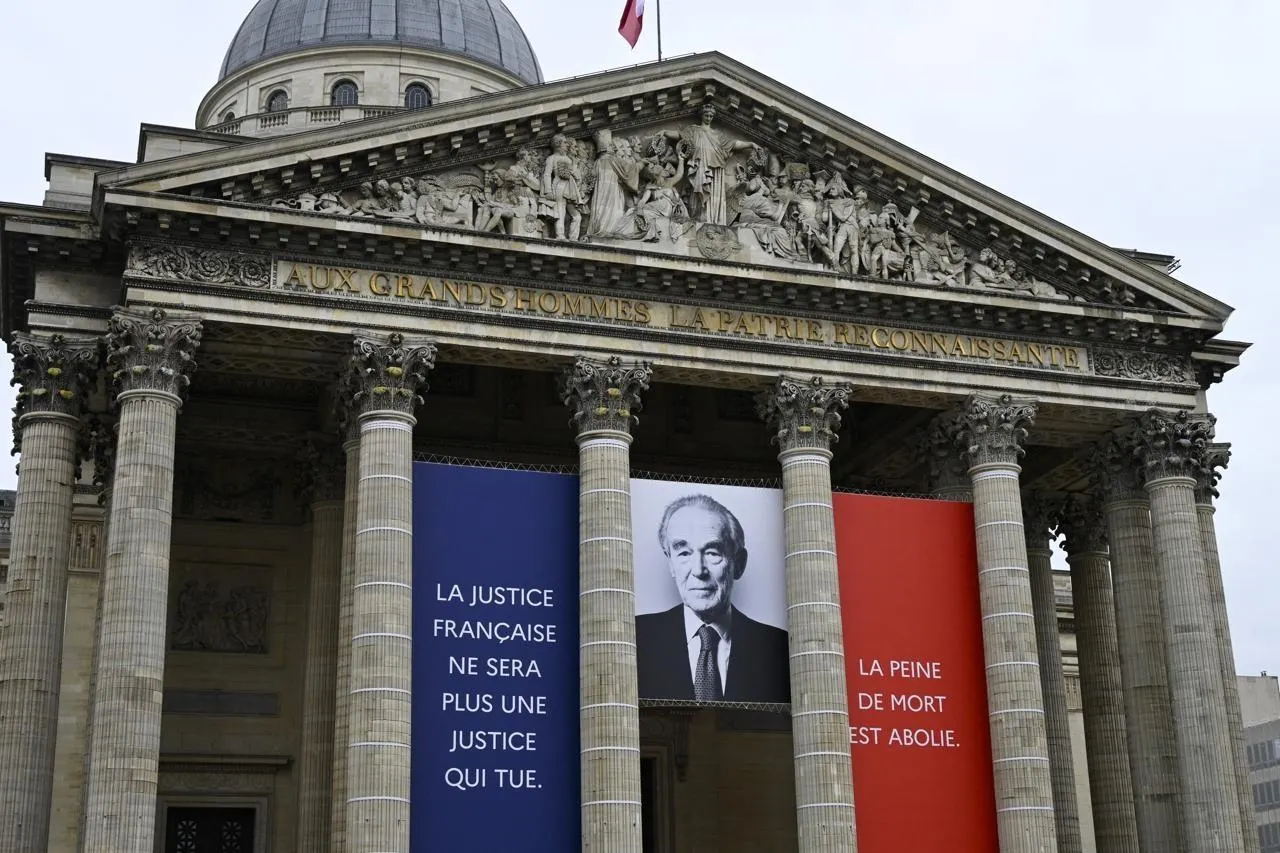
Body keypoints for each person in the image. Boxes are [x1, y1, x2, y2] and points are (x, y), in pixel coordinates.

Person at [635, 494, 790, 704]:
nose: (698, 570)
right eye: (684, 553)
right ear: (670, 563)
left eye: (712, 552)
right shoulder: (635, 638)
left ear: (739, 563)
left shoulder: (777, 647)